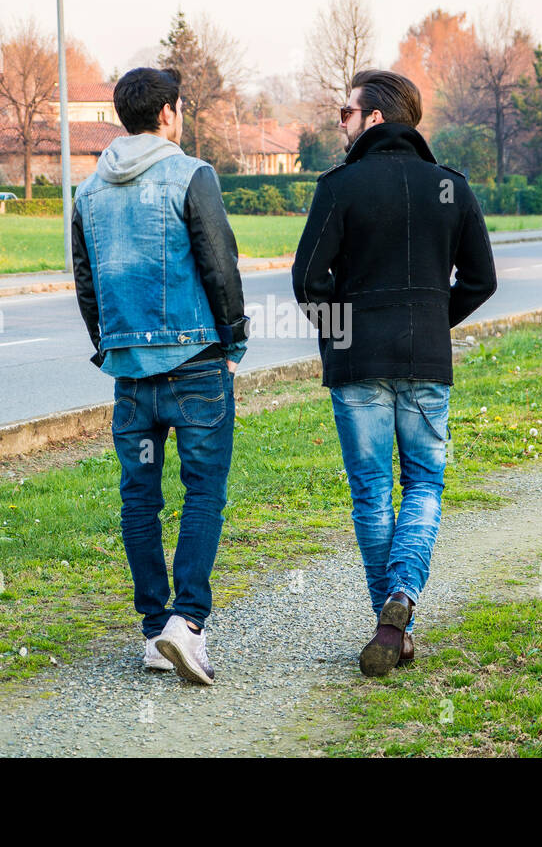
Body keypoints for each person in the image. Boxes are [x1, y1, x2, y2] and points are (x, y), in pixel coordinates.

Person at [292, 69, 497, 676]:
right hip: (426, 362)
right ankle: (399, 606)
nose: (341, 124)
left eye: (346, 114)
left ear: (374, 118)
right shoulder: (451, 187)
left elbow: (309, 281)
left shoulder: (340, 187)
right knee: (425, 485)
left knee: (372, 493)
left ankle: (388, 620)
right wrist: (433, 319)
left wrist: (343, 335)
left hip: (359, 365)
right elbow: (481, 282)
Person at [71, 66, 249, 686]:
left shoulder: (88, 191)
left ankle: (153, 631)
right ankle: (187, 624)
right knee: (203, 492)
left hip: (130, 376)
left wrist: (110, 347)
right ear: (169, 112)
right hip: (196, 364)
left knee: (139, 500)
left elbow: (86, 284)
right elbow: (219, 265)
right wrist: (236, 341)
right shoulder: (191, 174)